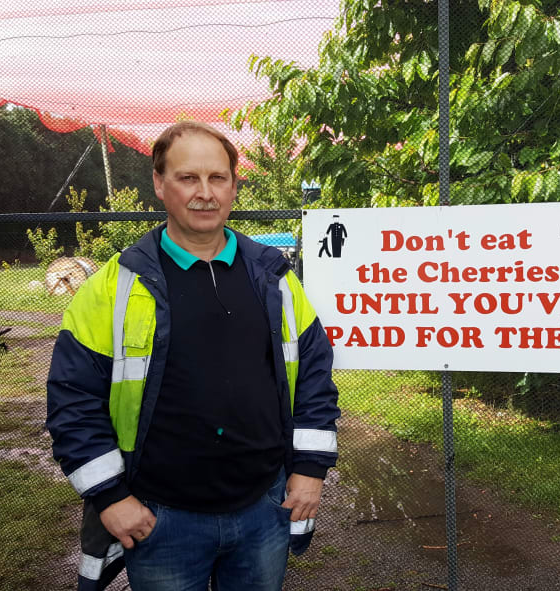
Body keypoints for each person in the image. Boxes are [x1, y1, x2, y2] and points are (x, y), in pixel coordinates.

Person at [46, 121, 340, 591]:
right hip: (162, 519)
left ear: (233, 186)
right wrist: (110, 497)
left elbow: (314, 379)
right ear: (160, 184)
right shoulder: (114, 286)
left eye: (217, 178)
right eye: (188, 178)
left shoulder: (273, 278)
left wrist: (309, 470)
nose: (205, 193)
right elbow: (72, 400)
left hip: (263, 509)